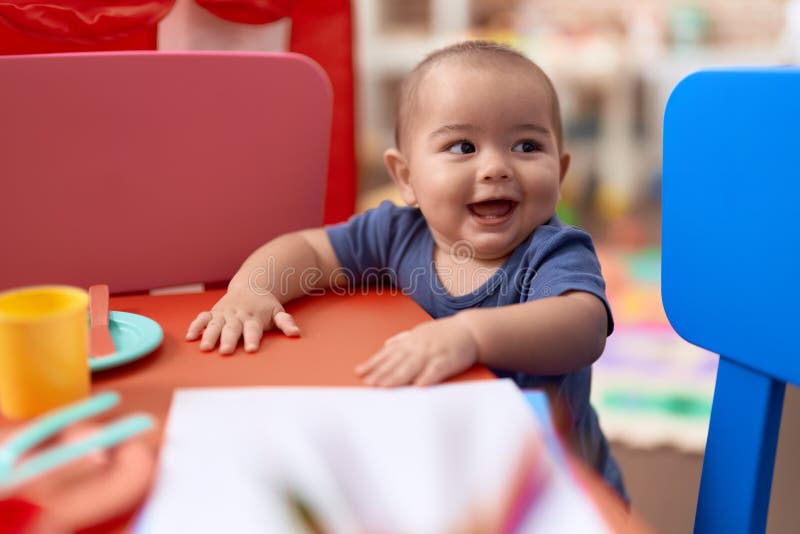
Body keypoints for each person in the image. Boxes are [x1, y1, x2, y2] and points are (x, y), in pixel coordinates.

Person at [185, 40, 626, 499]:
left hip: (554, 487)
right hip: (449, 470)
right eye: (463, 146)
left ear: (561, 169)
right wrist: (252, 289)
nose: (496, 167)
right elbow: (311, 251)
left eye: (527, 145)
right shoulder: (399, 231)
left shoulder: (553, 251)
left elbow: (583, 325)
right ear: (407, 178)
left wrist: (470, 336)